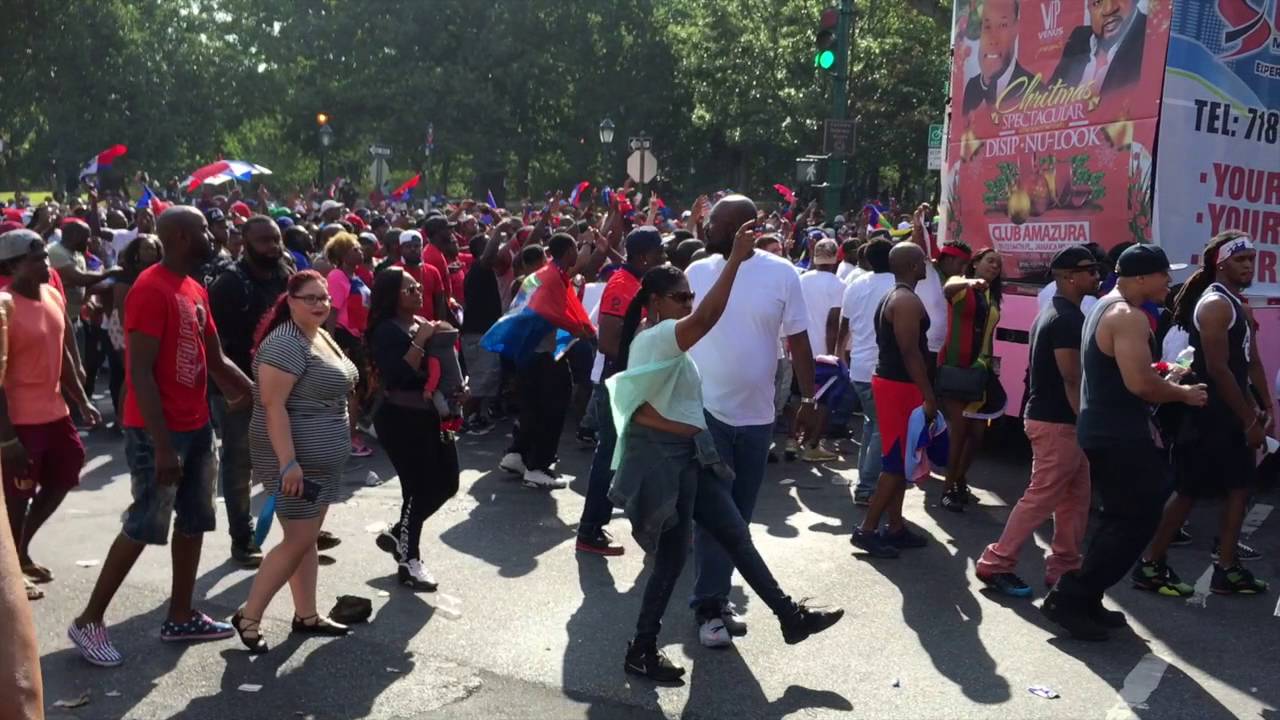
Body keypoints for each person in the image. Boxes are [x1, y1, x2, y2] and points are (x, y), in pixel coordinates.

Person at [610, 217, 844, 682]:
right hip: (672, 467)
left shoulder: (664, 339)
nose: (689, 304)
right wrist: (735, 261)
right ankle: (641, 648)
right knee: (674, 562)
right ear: (656, 303)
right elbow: (628, 405)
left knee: (736, 534)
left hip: (692, 460)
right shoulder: (657, 337)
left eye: (690, 296)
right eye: (681, 297)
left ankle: (788, 616)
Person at [69, 206, 253, 666]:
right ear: (179, 236)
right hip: (158, 431)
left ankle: (181, 614)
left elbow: (214, 357)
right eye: (204, 231)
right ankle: (88, 621)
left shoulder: (194, 288)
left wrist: (252, 391)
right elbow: (140, 374)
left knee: (193, 521)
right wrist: (164, 444)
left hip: (196, 424)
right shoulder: (151, 289)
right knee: (146, 521)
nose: (213, 237)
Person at [1041, 245, 1207, 641]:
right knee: (1136, 520)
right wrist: (1182, 393)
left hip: (1109, 429)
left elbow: (1129, 373)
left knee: (1121, 518)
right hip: (1117, 434)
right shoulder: (1126, 316)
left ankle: (1086, 596)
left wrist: (1162, 377)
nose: (1170, 281)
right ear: (1140, 278)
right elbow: (1139, 385)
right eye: (1164, 274)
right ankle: (1071, 596)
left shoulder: (1106, 306)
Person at [683, 195, 820, 648]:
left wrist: (809, 397)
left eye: (716, 223)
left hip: (759, 416)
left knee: (738, 518)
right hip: (707, 413)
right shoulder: (698, 271)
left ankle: (718, 600)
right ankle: (708, 609)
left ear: (746, 227)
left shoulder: (782, 273)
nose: (706, 230)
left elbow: (798, 339)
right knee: (717, 517)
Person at [1133, 232, 1271, 596]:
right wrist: (1249, 421)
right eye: (1241, 260)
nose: (1248, 266)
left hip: (1230, 414)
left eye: (1252, 259)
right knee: (1188, 491)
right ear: (1220, 263)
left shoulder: (1237, 304)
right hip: (1208, 415)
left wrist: (1265, 404)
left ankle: (1227, 567)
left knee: (1240, 488)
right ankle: (1150, 564)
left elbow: (1250, 361)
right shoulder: (1214, 305)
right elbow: (1219, 369)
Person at [230, 270, 357, 652]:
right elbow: (272, 407)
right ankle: (248, 616)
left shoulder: (319, 336)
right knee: (299, 538)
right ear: (290, 300)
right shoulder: (286, 343)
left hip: (319, 460)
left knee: (305, 541)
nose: (320, 304)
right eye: (310, 298)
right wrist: (288, 463)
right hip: (291, 458)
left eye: (323, 297)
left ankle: (306, 614)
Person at [976, 246, 1100, 597]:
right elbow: (1072, 378)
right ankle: (996, 563)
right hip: (1058, 422)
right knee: (1042, 497)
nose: (1096, 276)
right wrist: (1086, 422)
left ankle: (1065, 567)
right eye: (1089, 270)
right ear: (1068, 276)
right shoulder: (1065, 319)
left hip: (1060, 420)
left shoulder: (1062, 313)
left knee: (1075, 498)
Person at [0, 230, 100, 595]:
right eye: (36, 259)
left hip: (55, 414)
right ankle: (10, 576)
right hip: (19, 422)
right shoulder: (4, 307)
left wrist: (81, 399)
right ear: (12, 266)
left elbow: (65, 356)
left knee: (66, 472)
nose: (46, 264)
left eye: (45, 255)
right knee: (16, 497)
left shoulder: (53, 295)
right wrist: (7, 437)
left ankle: (20, 550)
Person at [365, 268, 461, 592]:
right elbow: (397, 375)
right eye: (409, 288)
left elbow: (445, 364)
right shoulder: (385, 330)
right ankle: (410, 560)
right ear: (392, 295)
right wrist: (420, 342)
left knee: (449, 482)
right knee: (417, 487)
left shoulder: (423, 323)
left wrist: (458, 385)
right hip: (401, 418)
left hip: (439, 415)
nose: (418, 291)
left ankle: (398, 533)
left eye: (418, 286)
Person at [576, 225, 666, 556]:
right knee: (610, 459)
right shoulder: (621, 286)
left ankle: (651, 527)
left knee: (637, 458)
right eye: (659, 252)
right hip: (622, 385)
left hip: (635, 383)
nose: (663, 257)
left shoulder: (639, 282)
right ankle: (589, 530)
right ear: (644, 257)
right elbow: (607, 342)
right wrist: (645, 363)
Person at [208, 216, 291, 566]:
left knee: (290, 456)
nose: (273, 246)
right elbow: (214, 347)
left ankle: (299, 529)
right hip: (237, 389)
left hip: (281, 384)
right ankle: (242, 538)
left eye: (276, 239)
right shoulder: (229, 283)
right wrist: (235, 389)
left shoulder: (284, 275)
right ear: (245, 242)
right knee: (240, 462)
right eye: (264, 241)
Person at [851, 243, 938, 559]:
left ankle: (896, 526)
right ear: (915, 265)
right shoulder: (904, 300)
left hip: (896, 383)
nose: (927, 263)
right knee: (896, 460)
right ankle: (867, 530)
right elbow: (910, 351)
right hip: (898, 385)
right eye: (923, 260)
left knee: (901, 460)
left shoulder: (899, 296)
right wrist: (928, 394)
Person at [498, 233, 597, 489]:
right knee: (552, 410)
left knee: (532, 408)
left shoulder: (543, 274)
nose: (577, 254)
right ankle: (538, 467)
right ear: (567, 251)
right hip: (543, 357)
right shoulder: (551, 277)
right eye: (576, 248)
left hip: (528, 355)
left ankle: (517, 455)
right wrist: (577, 328)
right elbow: (549, 311)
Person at [936, 248, 1005, 510]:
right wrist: (969, 281)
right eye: (989, 261)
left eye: (998, 264)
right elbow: (949, 286)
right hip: (957, 367)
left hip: (982, 370)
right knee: (960, 431)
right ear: (974, 264)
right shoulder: (963, 288)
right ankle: (947, 488)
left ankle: (959, 477)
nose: (995, 267)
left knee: (977, 434)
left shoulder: (993, 294)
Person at [837, 238, 895, 504]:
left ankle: (865, 482)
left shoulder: (856, 283)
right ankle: (867, 488)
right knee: (881, 427)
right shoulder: (897, 285)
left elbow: (843, 324)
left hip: (859, 367)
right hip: (880, 369)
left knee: (872, 425)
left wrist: (840, 355)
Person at [460, 221, 516, 435]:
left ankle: (475, 417)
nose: (495, 248)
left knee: (487, 378)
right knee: (480, 380)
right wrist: (499, 229)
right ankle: (466, 420)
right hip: (477, 334)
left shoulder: (488, 272)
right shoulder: (479, 269)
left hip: (484, 333)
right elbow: (489, 253)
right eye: (490, 245)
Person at [323, 231, 374, 458]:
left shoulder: (356, 277)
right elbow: (331, 314)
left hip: (356, 338)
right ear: (343, 254)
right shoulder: (336, 277)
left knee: (359, 389)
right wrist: (331, 346)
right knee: (353, 391)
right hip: (343, 339)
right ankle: (349, 438)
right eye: (354, 248)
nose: (360, 250)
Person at [796, 238, 847, 462]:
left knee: (805, 398)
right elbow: (832, 322)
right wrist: (833, 354)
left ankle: (800, 440)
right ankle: (812, 444)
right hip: (823, 352)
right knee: (824, 402)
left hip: (801, 349)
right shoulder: (838, 284)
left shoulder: (801, 280)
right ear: (835, 257)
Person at [1050, 0, 1146, 95]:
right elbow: (1050, 96)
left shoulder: (1152, 36)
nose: (1108, 10)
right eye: (1097, 2)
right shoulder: (1078, 38)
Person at [962, 0, 1034, 115]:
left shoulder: (1034, 89)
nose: (992, 39)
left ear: (1016, 28)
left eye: (1003, 25)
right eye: (987, 26)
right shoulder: (971, 88)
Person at [395, 230, 447, 321]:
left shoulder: (433, 271)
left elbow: (440, 303)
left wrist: (439, 325)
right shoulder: (394, 271)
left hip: (429, 327)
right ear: (401, 249)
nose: (413, 249)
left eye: (416, 246)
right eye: (408, 246)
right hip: (402, 327)